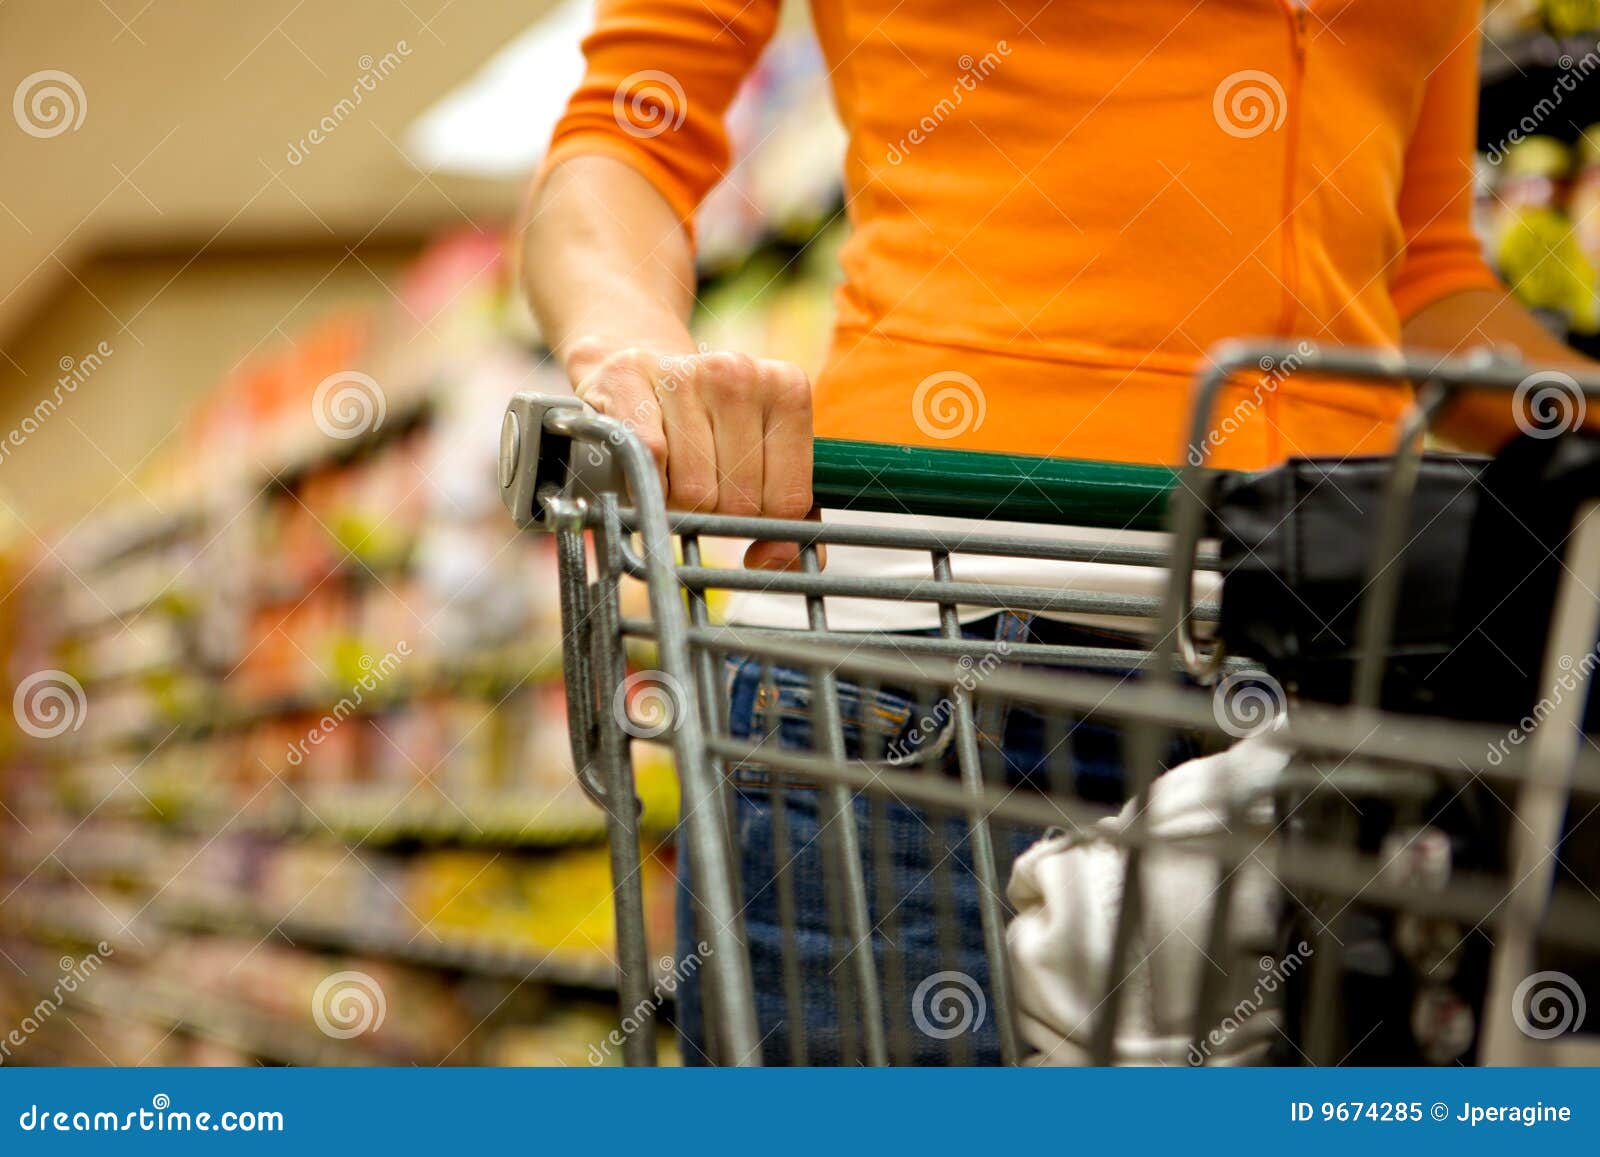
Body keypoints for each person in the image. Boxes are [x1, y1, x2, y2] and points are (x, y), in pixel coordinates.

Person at [522, 0, 1592, 1064]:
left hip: (1345, 667)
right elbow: (629, 135)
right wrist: (632, 343)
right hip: (932, 644)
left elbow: (1423, 275)